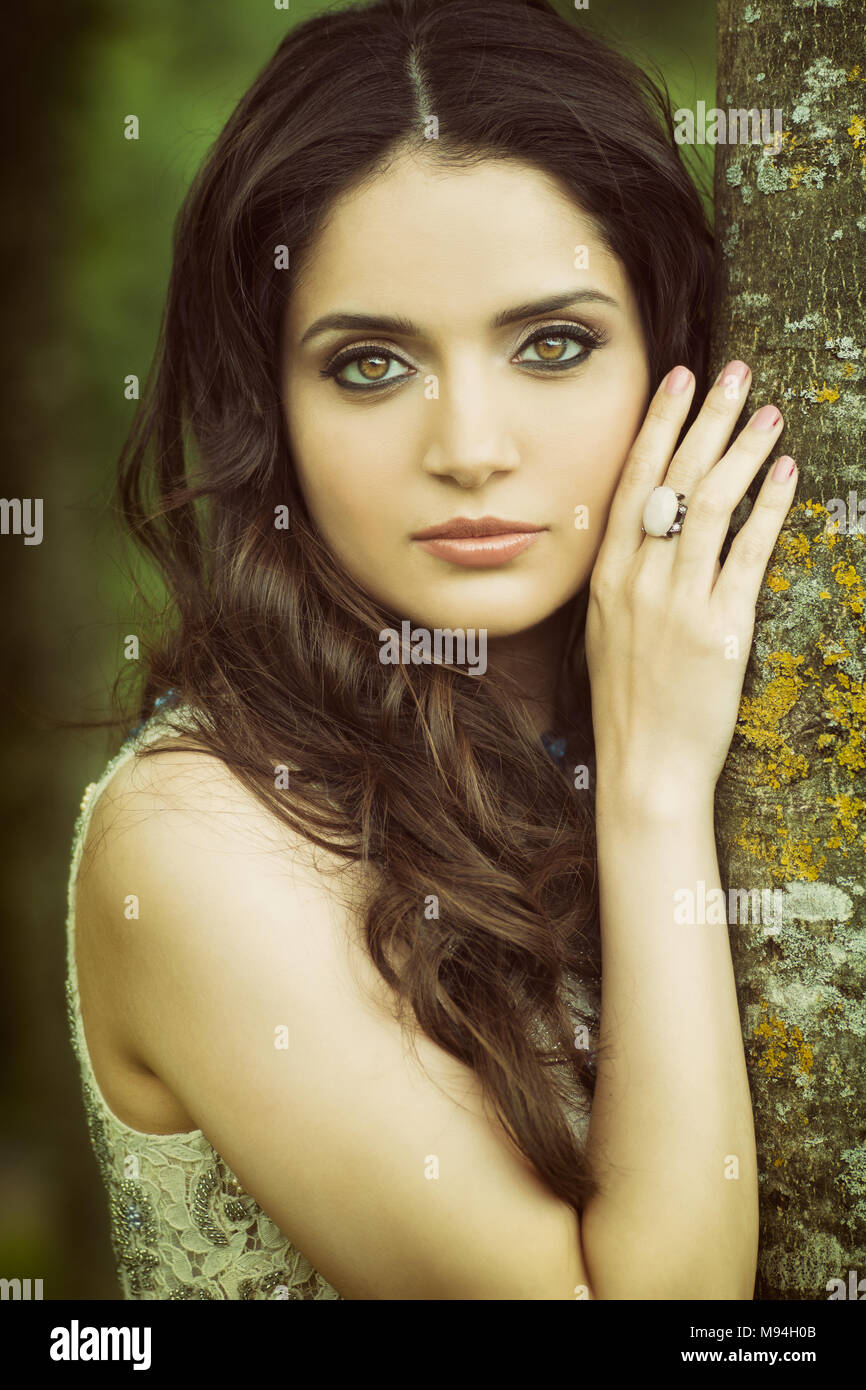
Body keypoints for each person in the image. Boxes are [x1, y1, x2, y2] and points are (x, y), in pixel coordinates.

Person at [65, 0, 796, 1299]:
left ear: (671, 361)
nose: (467, 444)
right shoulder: (194, 839)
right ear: (267, 409)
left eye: (551, 345)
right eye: (368, 365)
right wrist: (651, 792)